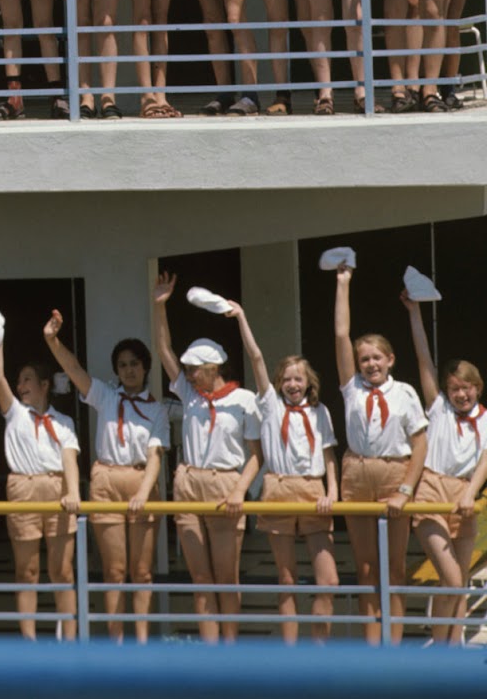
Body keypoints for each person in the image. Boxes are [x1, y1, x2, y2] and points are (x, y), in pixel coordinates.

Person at [153, 271, 261, 643]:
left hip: (225, 483)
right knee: (200, 577)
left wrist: (239, 492)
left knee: (226, 576)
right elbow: (163, 351)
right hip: (189, 480)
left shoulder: (243, 400)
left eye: (195, 368)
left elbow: (256, 456)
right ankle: (209, 648)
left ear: (213, 368)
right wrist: (160, 307)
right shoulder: (190, 395)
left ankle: (229, 648)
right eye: (189, 368)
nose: (189, 372)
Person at [44, 312, 165, 643]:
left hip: (141, 479)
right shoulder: (106, 396)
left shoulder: (156, 409)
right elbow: (74, 371)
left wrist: (143, 490)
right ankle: (116, 642)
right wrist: (52, 340)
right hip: (107, 479)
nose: (129, 369)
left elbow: (155, 454)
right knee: (114, 570)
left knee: (141, 572)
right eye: (123, 364)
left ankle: (140, 642)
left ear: (145, 368)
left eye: (135, 364)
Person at [332, 261, 428, 642]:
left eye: (377, 357)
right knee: (367, 568)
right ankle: (373, 647)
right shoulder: (351, 388)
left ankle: (395, 646)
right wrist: (344, 282)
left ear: (390, 360)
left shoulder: (404, 392)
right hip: (357, 472)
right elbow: (341, 334)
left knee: (395, 568)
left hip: (394, 473)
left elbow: (420, 443)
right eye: (364, 359)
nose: (370, 364)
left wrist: (406, 489)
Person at [232, 300, 338, 643]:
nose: (293, 384)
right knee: (286, 577)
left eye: (299, 379)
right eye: (287, 379)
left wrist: (332, 492)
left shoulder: (320, 412)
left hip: (312, 489)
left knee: (328, 580)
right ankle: (291, 652)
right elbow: (257, 358)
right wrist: (242, 317)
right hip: (278, 488)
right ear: (279, 383)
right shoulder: (270, 405)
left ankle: (319, 648)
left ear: (308, 383)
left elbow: (329, 454)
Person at [402, 284, 487, 643]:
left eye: (466, 387)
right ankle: (441, 649)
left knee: (459, 581)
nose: (461, 394)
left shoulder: (486, 418)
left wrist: (470, 493)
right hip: (432, 490)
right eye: (454, 388)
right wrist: (414, 311)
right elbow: (424, 358)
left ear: (477, 388)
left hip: (465, 495)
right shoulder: (437, 408)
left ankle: (449, 648)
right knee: (451, 578)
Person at [0, 323, 79, 641]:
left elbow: (70, 458)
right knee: (27, 571)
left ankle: (70, 638)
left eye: (27, 379)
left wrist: (74, 493)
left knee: (62, 570)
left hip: (57, 489)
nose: (20, 385)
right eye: (19, 380)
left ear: (44, 384)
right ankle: (29, 640)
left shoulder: (64, 422)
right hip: (24, 488)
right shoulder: (14, 413)